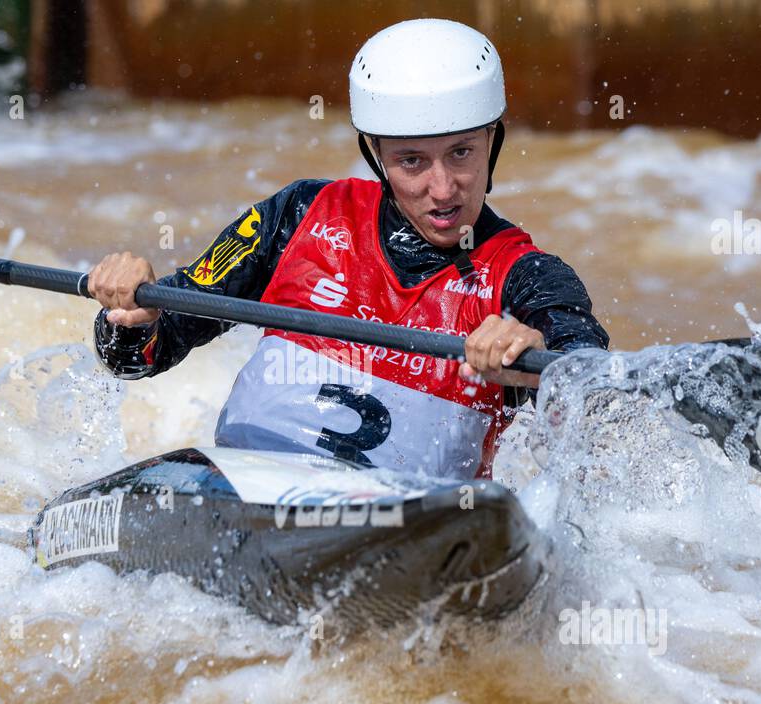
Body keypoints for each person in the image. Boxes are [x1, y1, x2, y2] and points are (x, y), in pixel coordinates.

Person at [88, 18, 608, 479]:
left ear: (494, 143)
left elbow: (596, 402)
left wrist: (537, 362)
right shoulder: (297, 216)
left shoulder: (529, 276)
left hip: (417, 530)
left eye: (462, 153)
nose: (444, 188)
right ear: (375, 154)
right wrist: (135, 315)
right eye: (412, 161)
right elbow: (139, 358)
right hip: (248, 493)